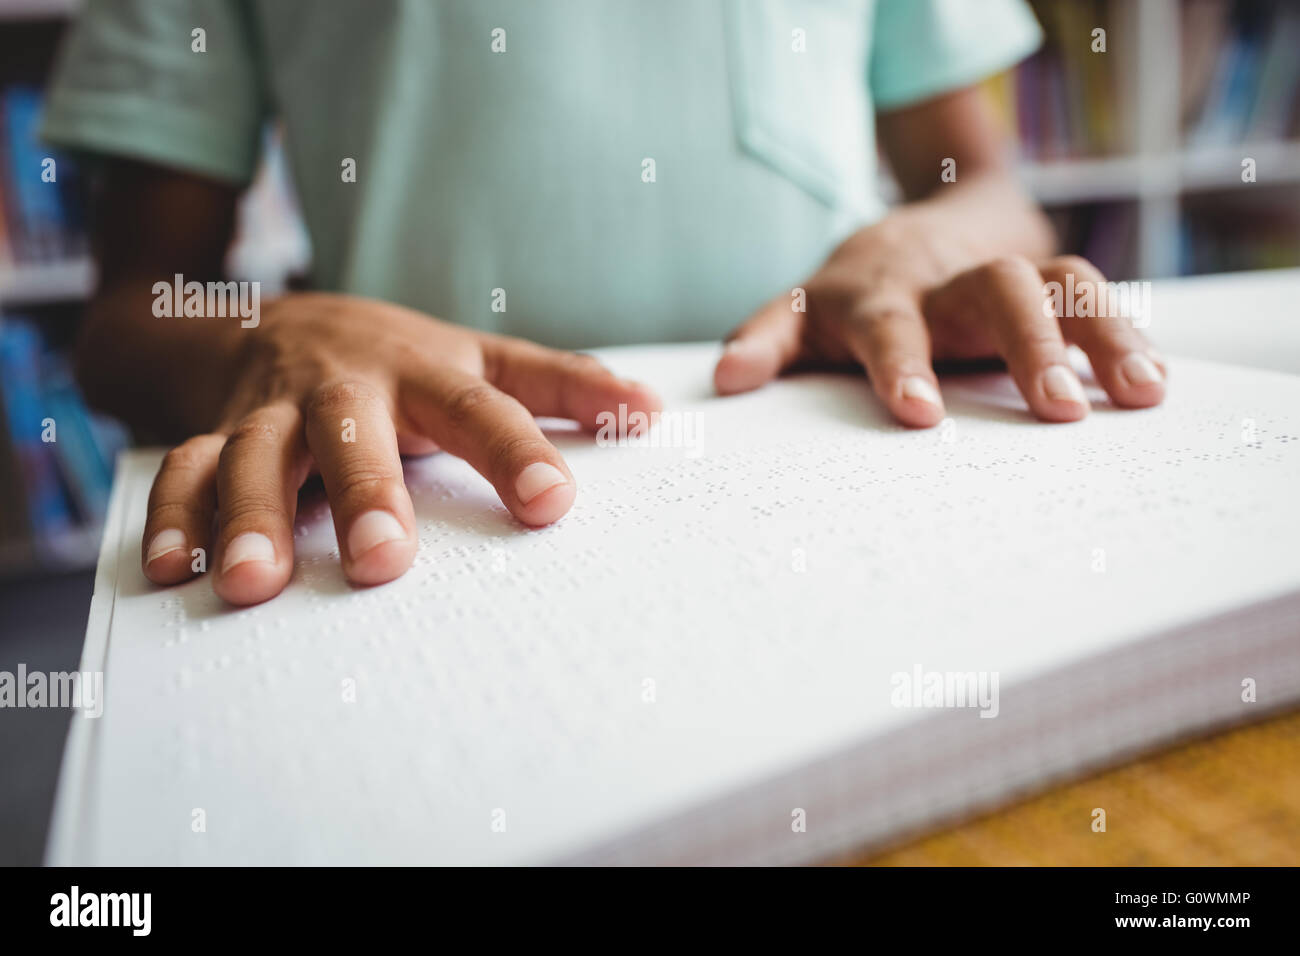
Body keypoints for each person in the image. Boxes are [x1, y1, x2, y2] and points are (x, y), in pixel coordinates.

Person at [42, 0, 1165, 606]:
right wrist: (277, 330)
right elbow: (131, 311)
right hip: (421, 499)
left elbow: (988, 189)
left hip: (842, 464)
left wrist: (922, 241)